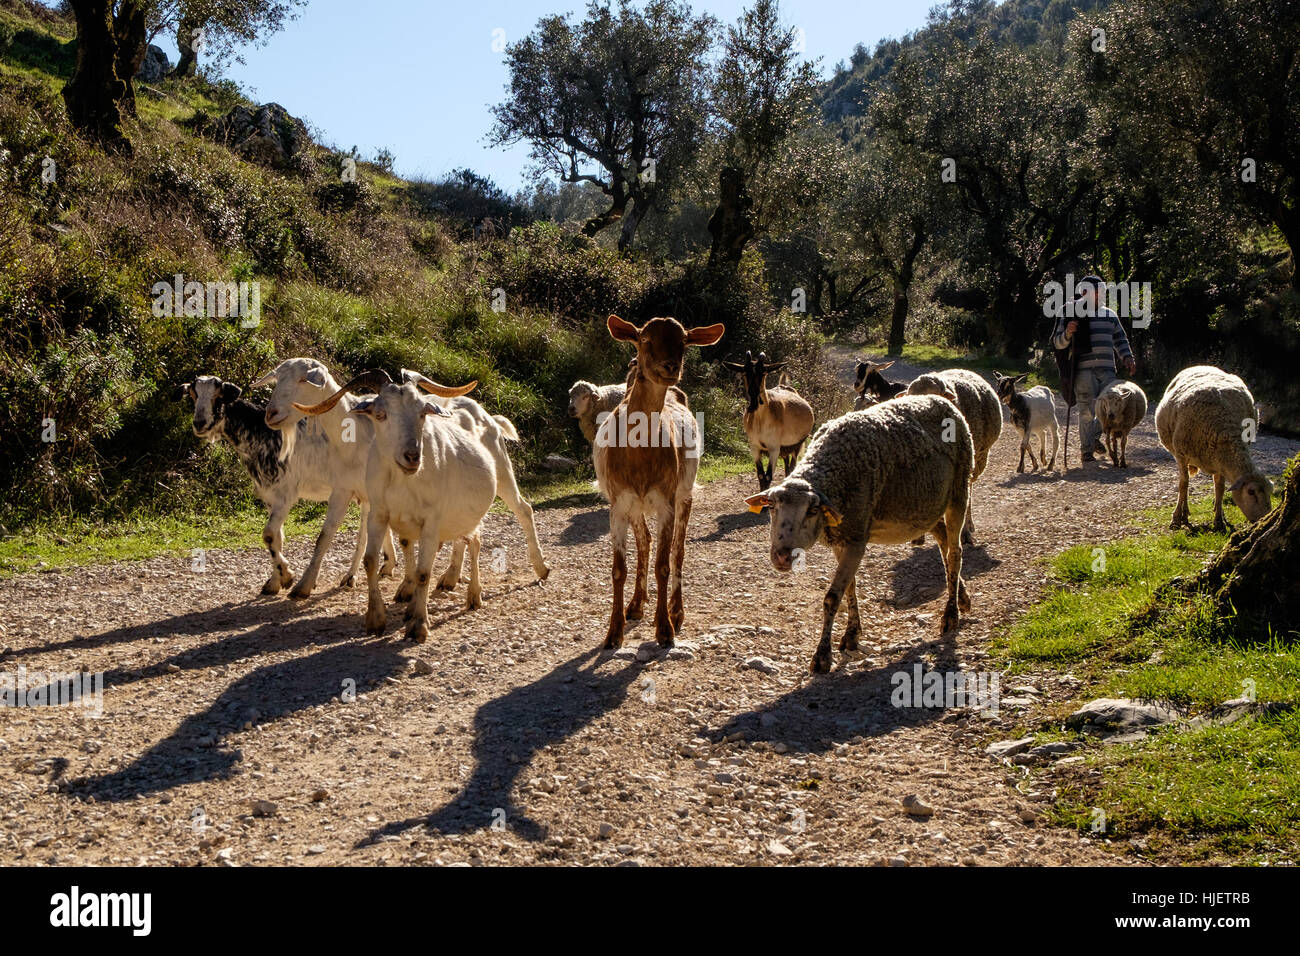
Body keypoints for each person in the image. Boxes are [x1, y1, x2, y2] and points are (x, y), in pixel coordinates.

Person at [1053, 275, 1136, 462]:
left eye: (1102, 292)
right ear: (1084, 292)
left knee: (1109, 410)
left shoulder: (1110, 315)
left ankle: (1094, 438)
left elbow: (1120, 339)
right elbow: (1057, 343)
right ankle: (1086, 451)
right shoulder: (1070, 312)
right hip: (1083, 370)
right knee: (1087, 410)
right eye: (1097, 292)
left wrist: (1128, 357)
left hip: (1108, 370)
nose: (1101, 296)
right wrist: (1067, 333)